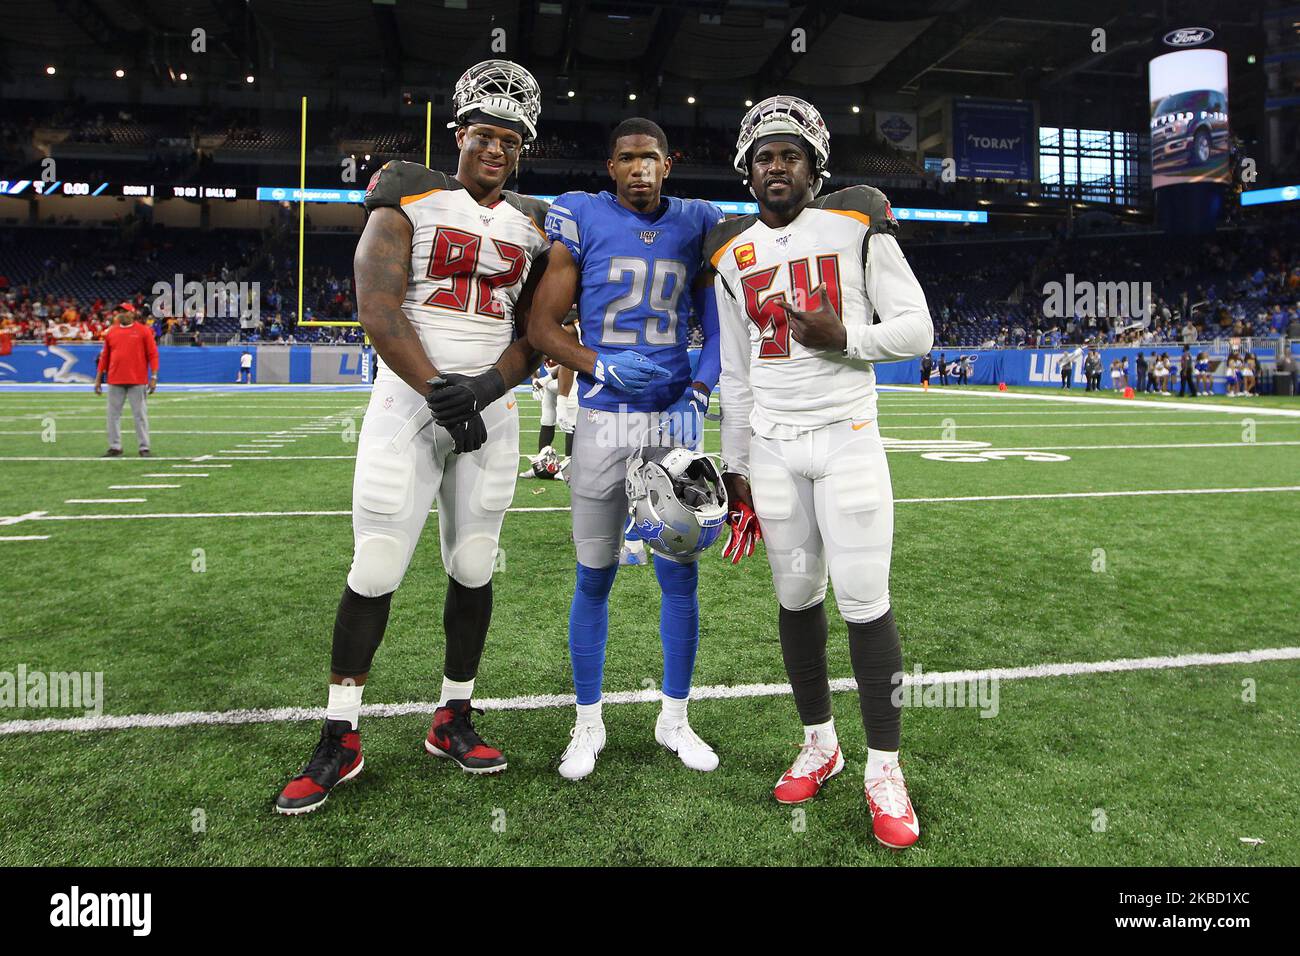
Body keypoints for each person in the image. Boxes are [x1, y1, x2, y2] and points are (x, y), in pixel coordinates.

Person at [274, 60, 551, 815]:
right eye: (486, 135)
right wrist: (438, 389)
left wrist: (486, 391)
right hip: (408, 403)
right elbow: (379, 306)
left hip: (489, 410)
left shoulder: (537, 222)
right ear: (459, 134)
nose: (497, 150)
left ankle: (452, 716)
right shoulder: (408, 195)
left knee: (473, 563)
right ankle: (340, 735)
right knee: (376, 563)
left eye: (511, 141)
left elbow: (540, 329)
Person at [710, 94, 932, 849]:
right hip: (772, 447)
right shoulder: (729, 253)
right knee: (797, 597)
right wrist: (735, 468)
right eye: (766, 156)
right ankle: (821, 742)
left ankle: (885, 768)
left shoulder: (857, 220)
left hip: (847, 435)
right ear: (749, 169)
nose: (778, 167)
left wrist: (849, 338)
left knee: (866, 602)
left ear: (814, 167)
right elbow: (736, 376)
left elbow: (919, 330)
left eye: (791, 155)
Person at [526, 116, 725, 781]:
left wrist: (697, 391)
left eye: (652, 158)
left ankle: (675, 718)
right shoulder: (579, 217)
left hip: (670, 424)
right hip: (603, 420)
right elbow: (541, 325)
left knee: (679, 572)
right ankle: (588, 723)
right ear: (610, 167)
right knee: (594, 574)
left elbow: (718, 328)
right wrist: (600, 366)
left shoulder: (699, 220)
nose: (640, 167)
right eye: (627, 158)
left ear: (670, 165)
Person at [94, 302, 158, 457]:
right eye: (120, 311)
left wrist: (154, 376)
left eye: (125, 311)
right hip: (115, 379)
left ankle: (144, 447)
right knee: (112, 415)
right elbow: (105, 357)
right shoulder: (111, 332)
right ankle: (115, 446)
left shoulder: (143, 331)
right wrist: (98, 379)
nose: (122, 314)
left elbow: (152, 354)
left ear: (133, 313)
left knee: (140, 415)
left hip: (137, 379)